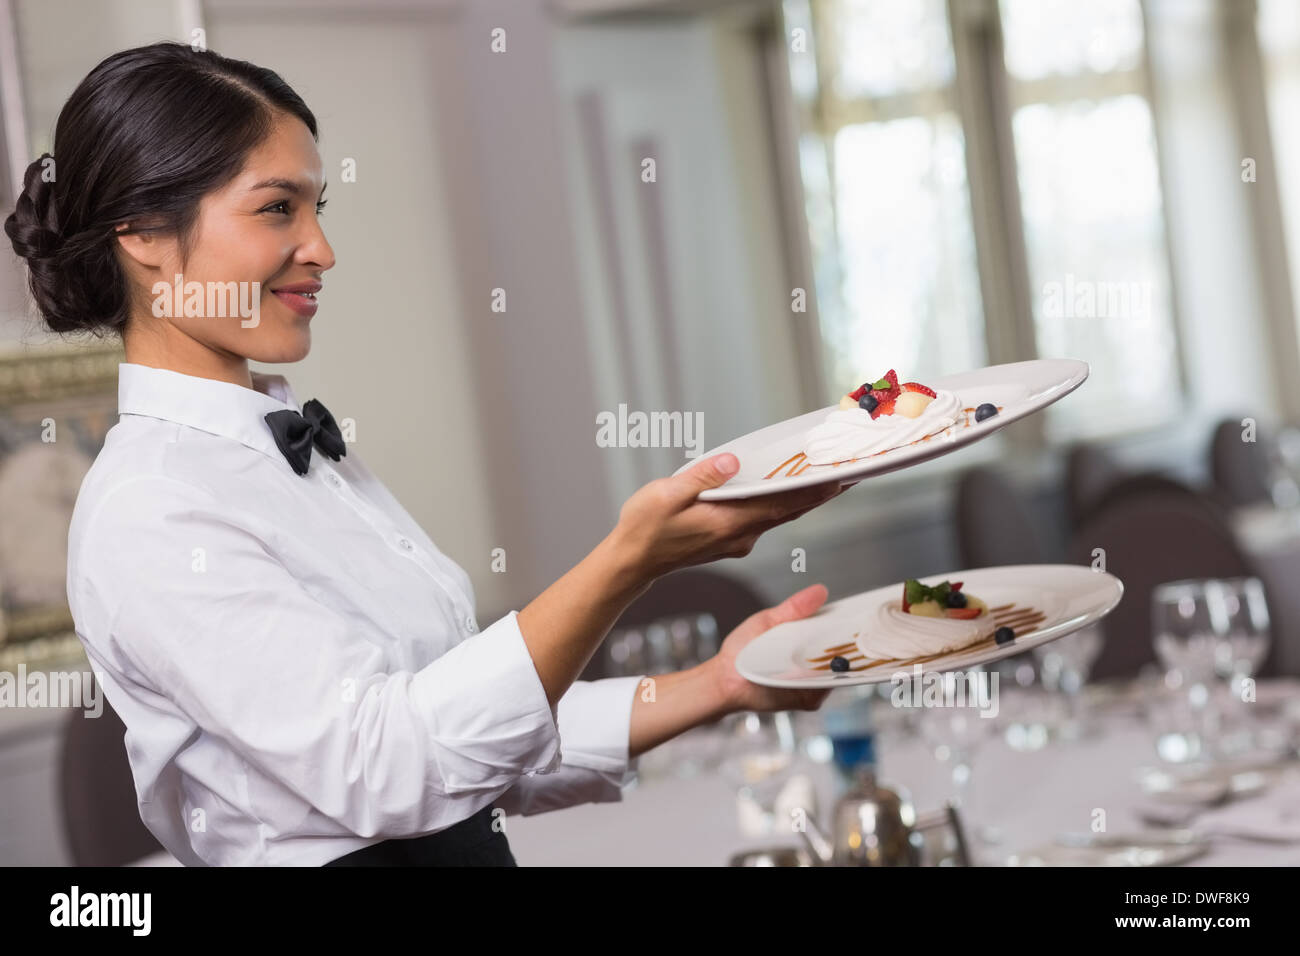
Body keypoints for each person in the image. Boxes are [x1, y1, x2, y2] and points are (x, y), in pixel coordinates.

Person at [6, 41, 848, 866]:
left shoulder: (290, 446)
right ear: (144, 234)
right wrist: (628, 563)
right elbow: (395, 770)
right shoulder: (150, 508)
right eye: (276, 208)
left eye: (317, 209)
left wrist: (721, 684)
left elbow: (469, 734)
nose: (322, 250)